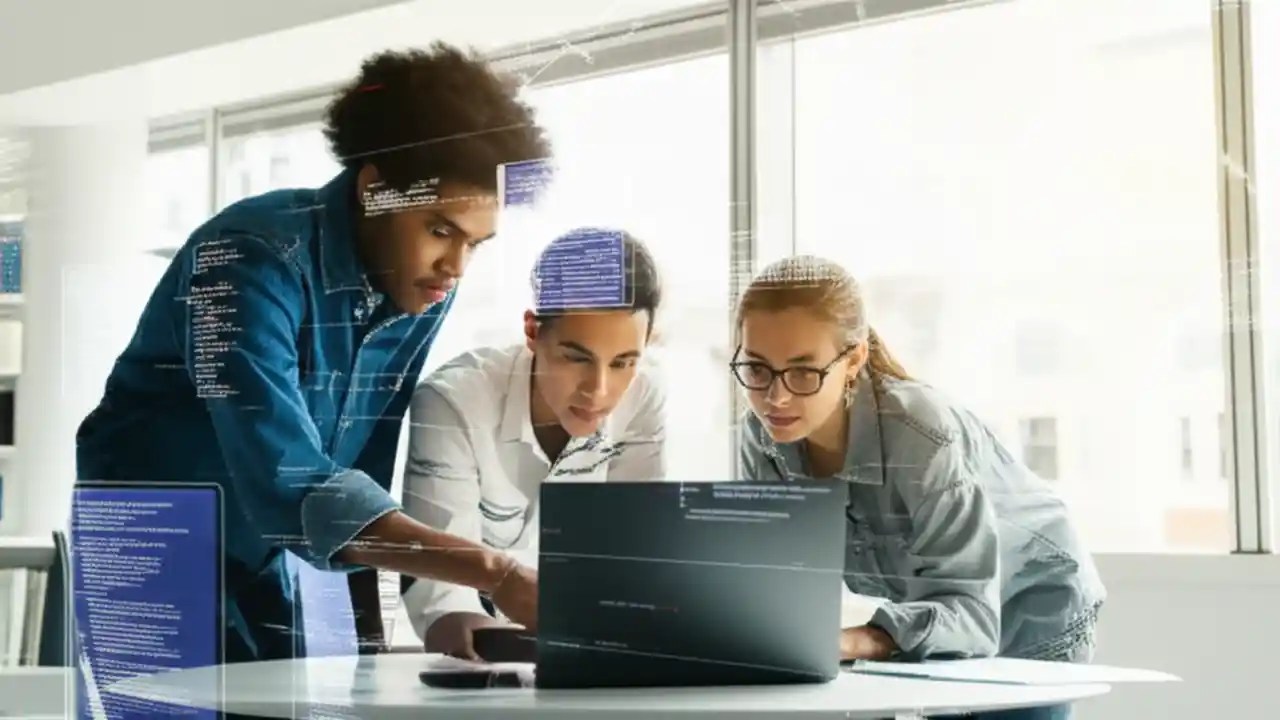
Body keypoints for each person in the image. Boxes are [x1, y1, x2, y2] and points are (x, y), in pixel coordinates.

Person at [74, 44, 554, 662]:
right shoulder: (243, 258)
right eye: (439, 229)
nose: (455, 267)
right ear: (374, 188)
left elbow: (362, 470)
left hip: (273, 558)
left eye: (476, 244)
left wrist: (370, 644)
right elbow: (292, 483)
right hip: (155, 548)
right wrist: (498, 573)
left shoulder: (420, 289)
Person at [731, 256, 1105, 720]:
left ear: (854, 360)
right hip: (939, 613)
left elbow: (972, 616)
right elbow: (777, 582)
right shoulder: (760, 436)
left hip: (1029, 599)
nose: (776, 397)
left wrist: (860, 639)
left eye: (804, 372)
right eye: (758, 369)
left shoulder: (921, 435)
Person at [400, 227, 666, 659]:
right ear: (532, 330)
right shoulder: (452, 402)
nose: (598, 390)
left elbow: (632, 556)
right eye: (576, 357)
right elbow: (442, 594)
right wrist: (466, 626)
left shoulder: (645, 396)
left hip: (592, 655)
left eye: (622, 363)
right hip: (488, 657)